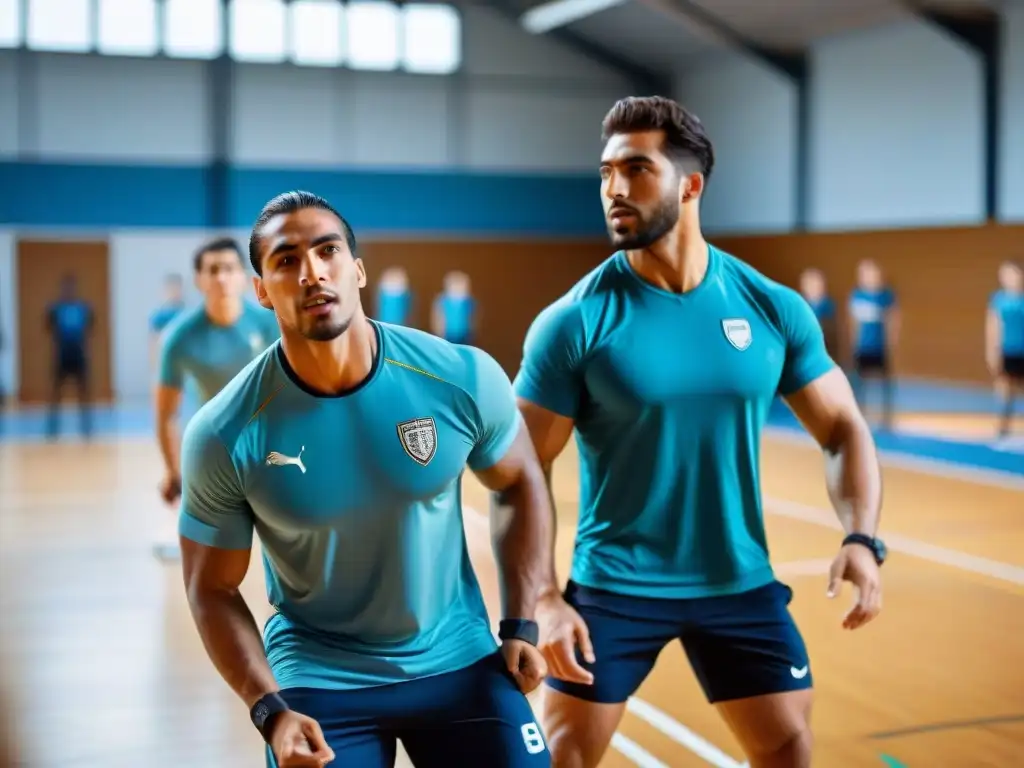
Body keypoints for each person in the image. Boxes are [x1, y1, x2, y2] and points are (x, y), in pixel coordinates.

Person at [509, 96, 886, 768]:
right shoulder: (574, 322)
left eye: (635, 169)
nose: (613, 190)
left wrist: (860, 535)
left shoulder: (770, 308)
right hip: (614, 588)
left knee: (789, 750)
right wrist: (541, 597)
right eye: (604, 173)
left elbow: (843, 428)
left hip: (738, 582)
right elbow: (517, 472)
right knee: (560, 758)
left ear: (690, 184)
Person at [177, 191, 555, 768]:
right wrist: (268, 709)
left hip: (460, 660)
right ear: (261, 290)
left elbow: (520, 480)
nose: (312, 273)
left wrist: (523, 619)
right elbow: (212, 588)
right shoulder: (225, 433)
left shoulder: (460, 377)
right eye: (285, 260)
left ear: (356, 269)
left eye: (328, 251)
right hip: (320, 676)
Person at [153, 238, 279, 561]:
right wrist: (172, 472)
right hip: (215, 446)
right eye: (212, 270)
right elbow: (166, 414)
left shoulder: (271, 323)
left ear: (244, 277)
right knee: (217, 559)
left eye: (228, 268)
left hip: (271, 442)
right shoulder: (179, 338)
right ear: (199, 280)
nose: (221, 277)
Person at [848, 259, 899, 430]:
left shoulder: (886, 295)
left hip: (880, 347)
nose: (868, 277)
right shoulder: (856, 295)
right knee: (859, 382)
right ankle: (859, 413)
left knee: (885, 382)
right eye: (864, 274)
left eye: (872, 274)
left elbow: (893, 320)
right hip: (862, 347)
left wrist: (891, 342)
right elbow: (853, 322)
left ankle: (886, 417)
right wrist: (853, 343)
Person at [45, 274, 94, 440]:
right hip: (62, 355)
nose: (69, 290)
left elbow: (89, 330)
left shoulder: (83, 308)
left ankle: (87, 428)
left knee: (83, 391)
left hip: (78, 354)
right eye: (66, 287)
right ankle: (52, 429)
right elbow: (50, 330)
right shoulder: (55, 309)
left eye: (71, 286)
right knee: (56, 392)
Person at [986, 260, 1024, 439]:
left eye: (1013, 273)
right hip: (1006, 350)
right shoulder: (998, 299)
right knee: (1005, 390)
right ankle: (1003, 426)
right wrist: (992, 351)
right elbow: (993, 326)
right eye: (1005, 274)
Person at [799, 267, 839, 361]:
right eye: (810, 285)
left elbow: (831, 328)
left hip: (825, 348)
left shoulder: (829, 304)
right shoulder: (800, 305)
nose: (815, 288)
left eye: (818, 285)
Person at [149, 273, 187, 370]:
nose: (174, 292)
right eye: (171, 288)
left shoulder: (186, 314)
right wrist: (154, 365)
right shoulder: (159, 316)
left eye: (177, 288)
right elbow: (153, 342)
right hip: (164, 361)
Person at [431, 270, 477, 344]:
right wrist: (439, 331)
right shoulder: (442, 300)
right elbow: (438, 317)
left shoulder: (469, 301)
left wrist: (472, 332)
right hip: (447, 334)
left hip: (464, 333)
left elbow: (473, 317)